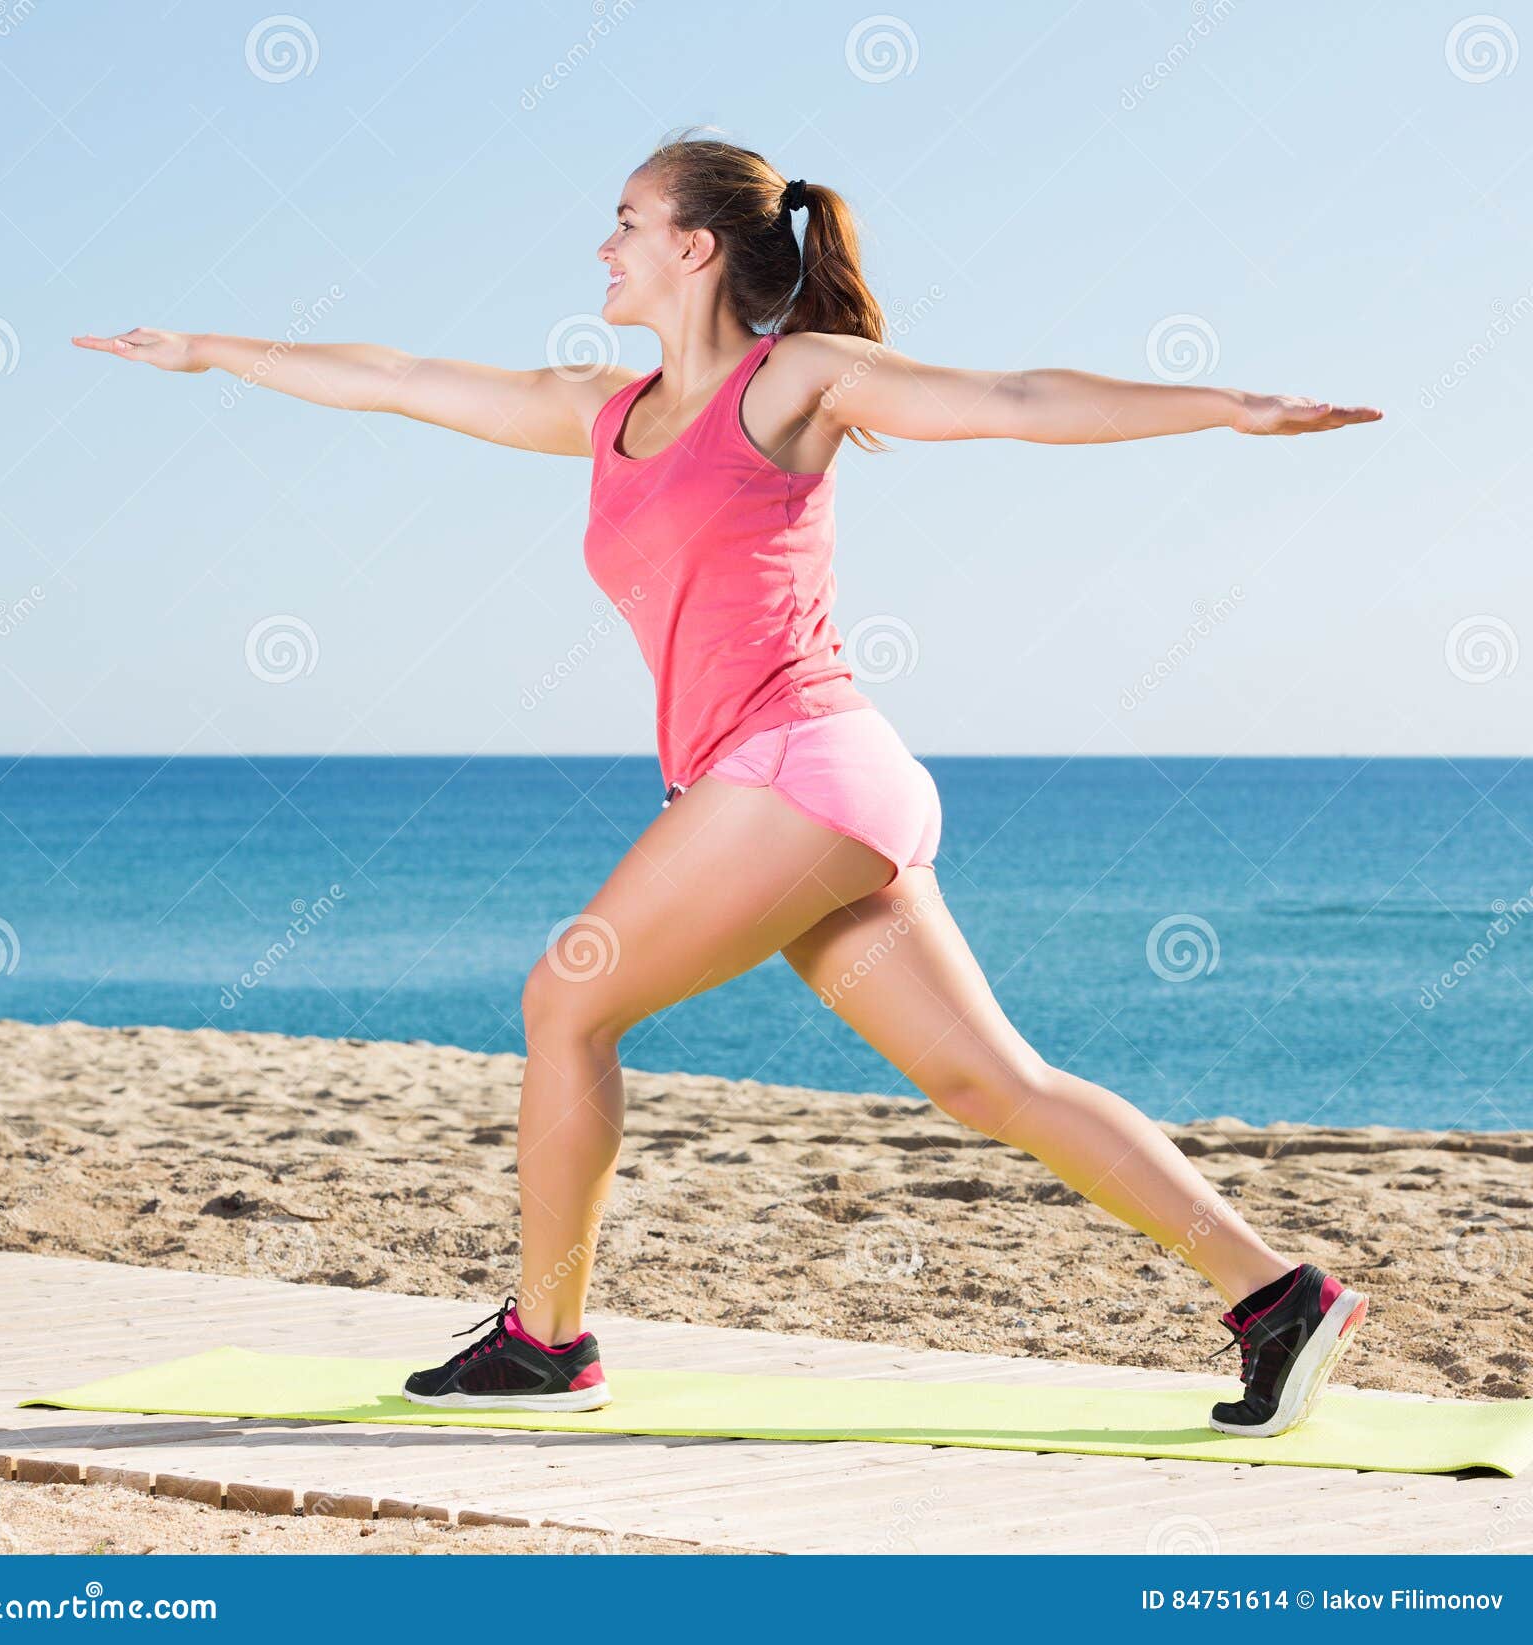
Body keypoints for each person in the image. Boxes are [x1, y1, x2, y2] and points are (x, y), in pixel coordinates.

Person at [73, 131, 1381, 1440]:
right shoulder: (604, 412)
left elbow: (1016, 398)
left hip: (799, 767)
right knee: (993, 1085)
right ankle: (1275, 1295)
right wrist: (211, 350)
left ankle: (547, 1340)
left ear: (694, 246)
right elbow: (402, 378)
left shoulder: (793, 380)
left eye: (627, 221)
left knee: (566, 1001)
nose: (604, 245)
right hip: (803, 795)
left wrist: (1223, 406)